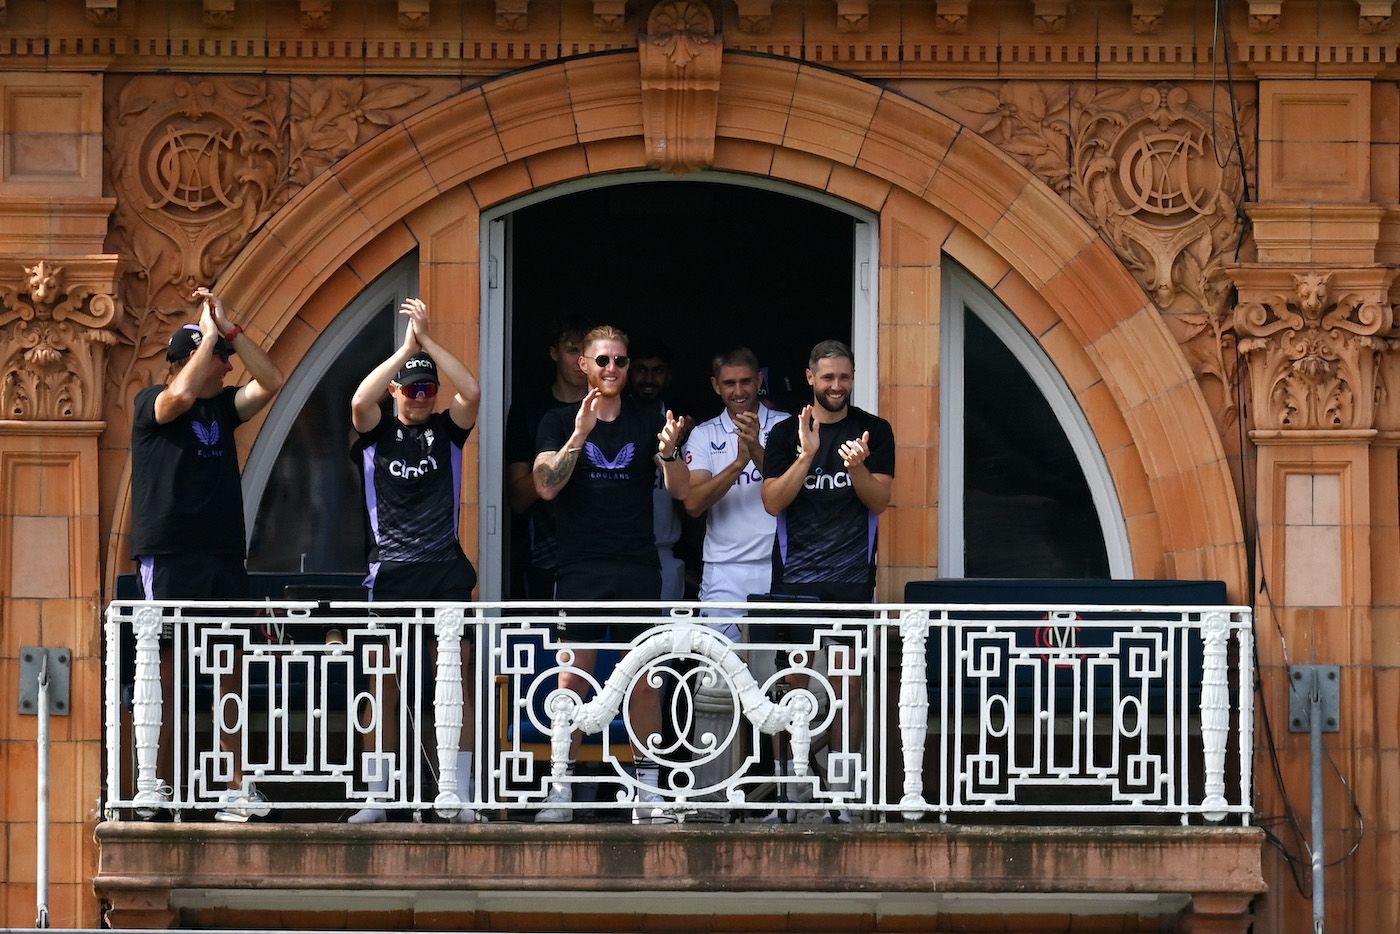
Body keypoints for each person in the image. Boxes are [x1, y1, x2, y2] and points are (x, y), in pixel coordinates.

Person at [129, 287, 285, 822]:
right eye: (217, 357)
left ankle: (236, 785)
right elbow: (177, 398)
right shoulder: (150, 401)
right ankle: (156, 783)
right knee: (166, 666)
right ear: (187, 361)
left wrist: (232, 329)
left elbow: (271, 380)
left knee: (230, 667)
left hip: (222, 553)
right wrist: (209, 337)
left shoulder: (223, 405)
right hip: (171, 552)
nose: (224, 366)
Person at [532, 325, 689, 823]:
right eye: (603, 361)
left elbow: (683, 491)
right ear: (584, 364)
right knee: (572, 677)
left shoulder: (648, 421)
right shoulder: (558, 420)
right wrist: (580, 434)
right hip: (579, 567)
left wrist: (667, 453)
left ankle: (648, 787)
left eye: (620, 361)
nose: (613, 370)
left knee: (646, 680)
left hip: (638, 565)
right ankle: (560, 788)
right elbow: (546, 487)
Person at [347, 298, 482, 824]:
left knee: (456, 676)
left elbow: (470, 391)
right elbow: (360, 400)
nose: (424, 397)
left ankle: (457, 790)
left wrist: (429, 345)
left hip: (444, 568)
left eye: (429, 389)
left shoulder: (447, 429)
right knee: (383, 677)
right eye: (414, 389)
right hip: (392, 570)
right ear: (398, 391)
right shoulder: (376, 431)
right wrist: (405, 350)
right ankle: (378, 794)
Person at [760, 339, 895, 822]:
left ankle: (843, 793)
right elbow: (773, 502)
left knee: (848, 686)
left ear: (852, 378)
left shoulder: (873, 430)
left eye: (844, 377)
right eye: (828, 377)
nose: (836, 386)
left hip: (851, 580)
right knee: (791, 687)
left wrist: (855, 467)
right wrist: (808, 454)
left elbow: (879, 501)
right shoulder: (783, 434)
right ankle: (792, 793)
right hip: (795, 580)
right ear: (811, 378)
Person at [681, 347, 790, 639]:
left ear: (758, 381)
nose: (739, 391)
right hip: (724, 570)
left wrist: (755, 448)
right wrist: (738, 464)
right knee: (720, 674)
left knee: (777, 671)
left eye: (745, 381)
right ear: (716, 386)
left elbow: (792, 491)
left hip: (778, 565)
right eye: (729, 383)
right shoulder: (703, 434)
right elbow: (693, 503)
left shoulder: (787, 426)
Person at [504, 318, 590, 598]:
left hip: (602, 550)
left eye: (586, 352)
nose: (580, 361)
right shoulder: (530, 411)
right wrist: (567, 452)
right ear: (554, 353)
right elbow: (517, 498)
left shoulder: (613, 410)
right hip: (544, 550)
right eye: (572, 350)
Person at [628, 339, 694, 600]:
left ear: (668, 376)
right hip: (622, 553)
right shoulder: (615, 417)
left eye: (657, 371)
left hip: (665, 550)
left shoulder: (683, 422)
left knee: (665, 640)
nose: (648, 378)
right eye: (641, 369)